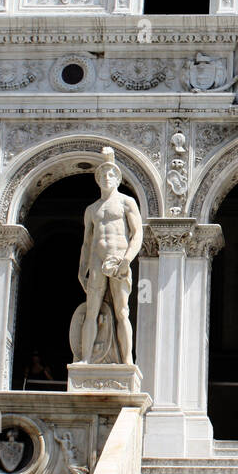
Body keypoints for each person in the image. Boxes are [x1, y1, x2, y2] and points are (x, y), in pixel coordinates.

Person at [78, 148, 143, 365]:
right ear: (97, 180)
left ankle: (127, 361)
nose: (106, 178)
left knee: (122, 311)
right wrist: (81, 269)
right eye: (102, 176)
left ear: (117, 179)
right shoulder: (91, 209)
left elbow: (137, 233)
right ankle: (85, 359)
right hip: (97, 261)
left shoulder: (126, 202)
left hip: (118, 259)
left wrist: (127, 260)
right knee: (91, 311)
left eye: (110, 175)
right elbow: (87, 243)